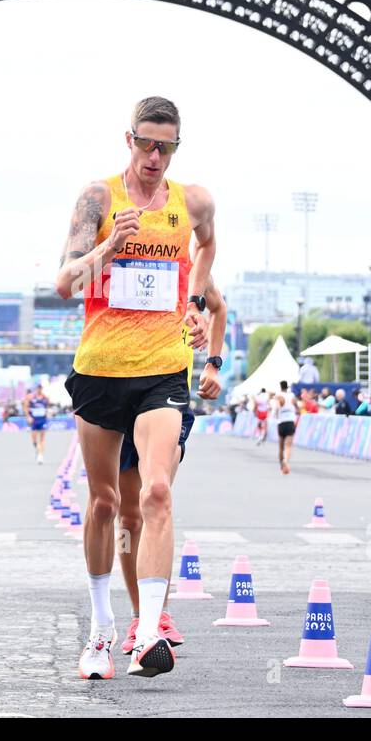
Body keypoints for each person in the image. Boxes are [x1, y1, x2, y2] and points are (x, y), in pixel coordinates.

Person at [55, 95, 215, 680]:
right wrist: (110, 245)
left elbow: (205, 250)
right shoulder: (98, 198)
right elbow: (65, 284)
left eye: (165, 147)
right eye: (146, 143)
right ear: (129, 140)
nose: (154, 156)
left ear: (177, 148)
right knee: (103, 504)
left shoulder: (191, 201)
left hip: (162, 368)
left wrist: (196, 307)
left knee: (155, 494)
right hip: (100, 368)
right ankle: (99, 631)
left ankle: (147, 630)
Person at [118, 279, 226, 656]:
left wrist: (213, 363)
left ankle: (155, 615)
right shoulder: (125, 247)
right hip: (118, 389)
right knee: (128, 519)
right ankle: (136, 613)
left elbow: (219, 306)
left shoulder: (187, 264)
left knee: (157, 497)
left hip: (167, 394)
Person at [274, 379, 299, 475]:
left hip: (281, 422)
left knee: (281, 447)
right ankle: (286, 461)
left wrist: (276, 415)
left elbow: (276, 408)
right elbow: (297, 406)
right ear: (287, 387)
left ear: (280, 387)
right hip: (290, 421)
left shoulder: (278, 396)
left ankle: (281, 464)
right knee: (288, 445)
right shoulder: (292, 396)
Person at [24, 382, 51, 464]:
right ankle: (37, 448)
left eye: (40, 388)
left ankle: (40, 455)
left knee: (42, 439)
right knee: (34, 439)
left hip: (42, 419)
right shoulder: (30, 397)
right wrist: (28, 416)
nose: (39, 389)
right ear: (35, 389)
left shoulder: (45, 397)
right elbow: (26, 407)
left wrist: (47, 414)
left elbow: (47, 407)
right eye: (38, 388)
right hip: (34, 420)